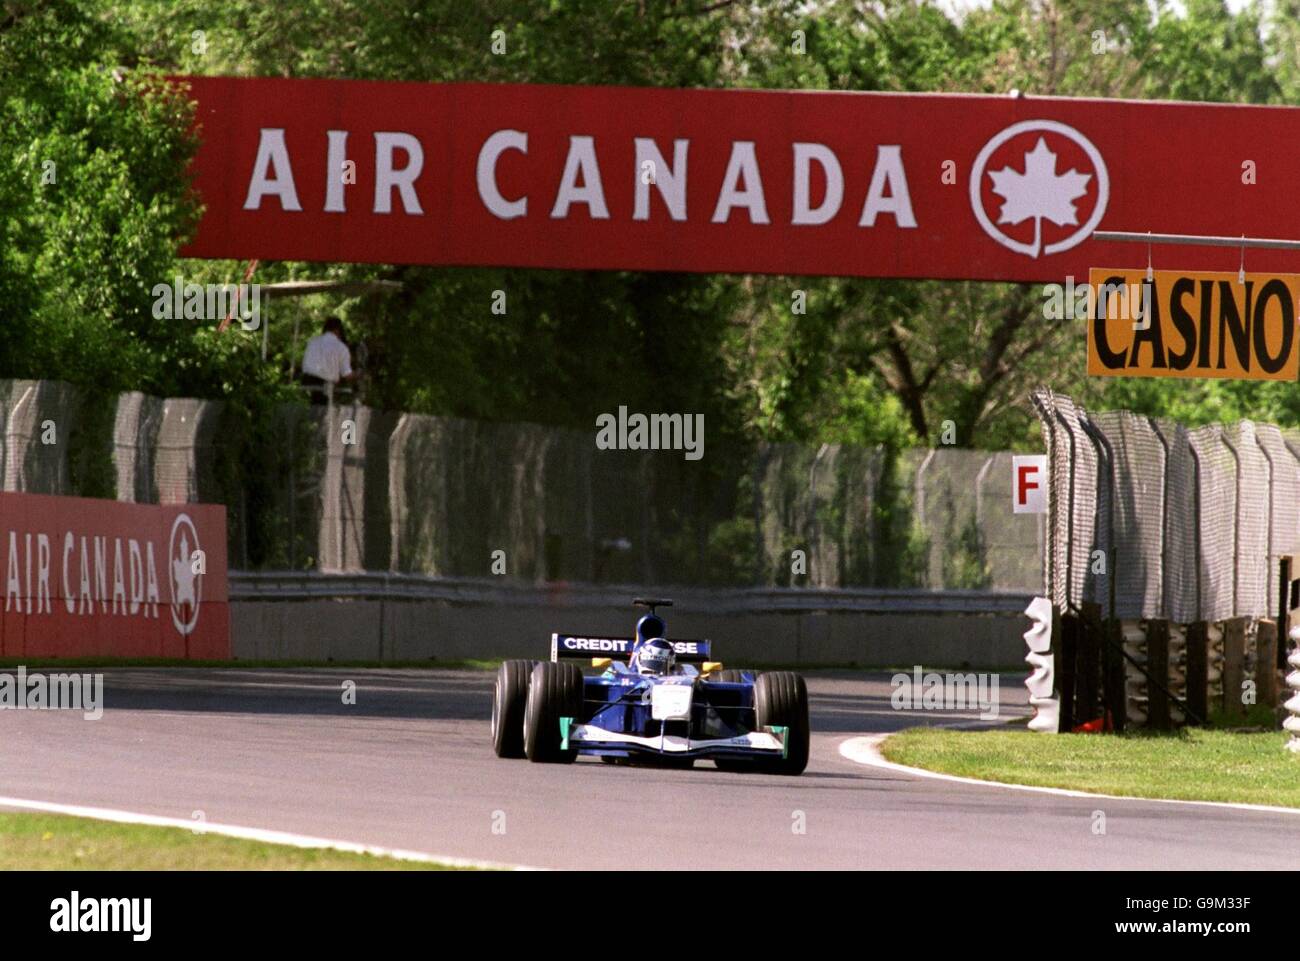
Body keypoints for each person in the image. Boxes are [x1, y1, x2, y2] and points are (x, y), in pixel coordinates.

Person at [300, 317, 355, 405]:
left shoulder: (312, 341)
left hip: (306, 380)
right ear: (338, 330)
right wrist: (359, 375)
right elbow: (347, 374)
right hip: (325, 383)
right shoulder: (341, 347)